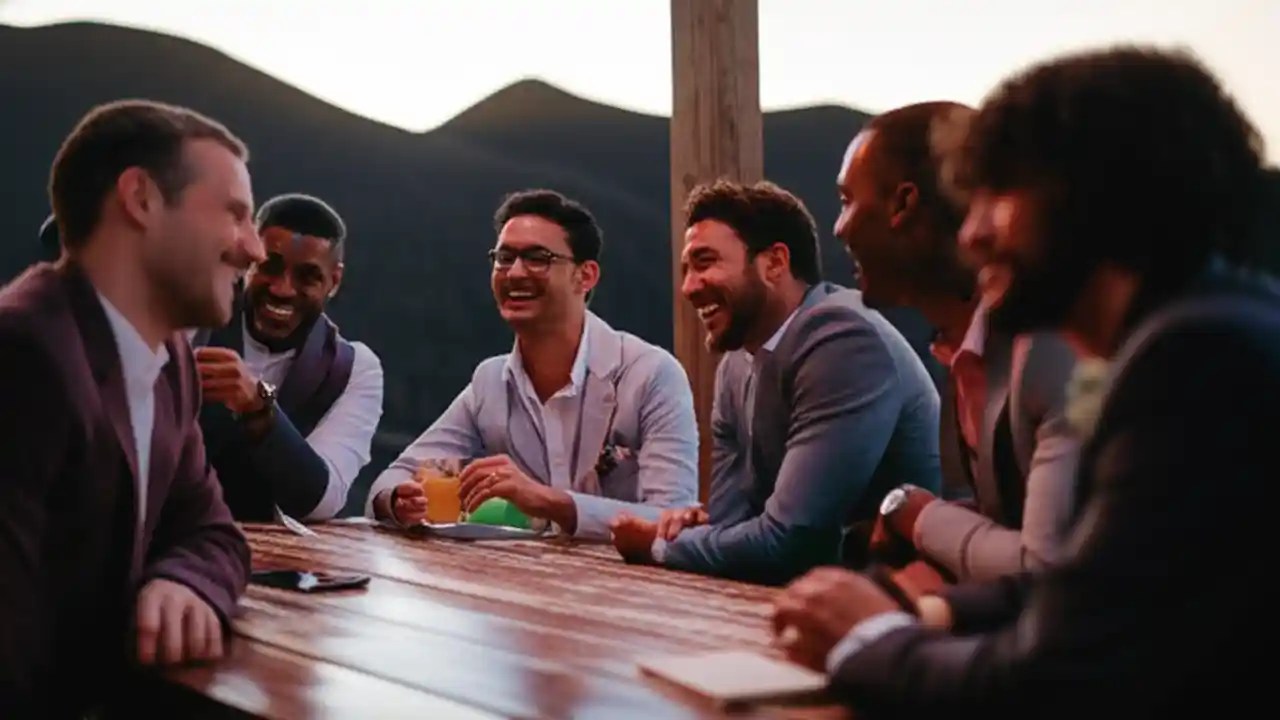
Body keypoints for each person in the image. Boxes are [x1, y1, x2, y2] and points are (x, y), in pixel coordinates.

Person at [772, 46, 1278, 717]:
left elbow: (1054, 682)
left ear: (1092, 195)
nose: (972, 233)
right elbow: (1082, 584)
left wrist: (866, 640)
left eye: (998, 195)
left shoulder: (1196, 356)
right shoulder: (1210, 330)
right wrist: (925, 612)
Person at [0, 99, 258, 716]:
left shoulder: (170, 366)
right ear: (140, 199)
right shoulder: (22, 357)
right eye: (234, 214)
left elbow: (211, 530)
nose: (253, 248)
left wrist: (184, 580)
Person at [611, 180, 941, 585]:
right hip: (801, 592)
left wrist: (662, 547)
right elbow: (732, 524)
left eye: (705, 262)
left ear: (774, 263)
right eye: (686, 271)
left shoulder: (840, 339)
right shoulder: (735, 365)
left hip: (900, 597)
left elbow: (790, 541)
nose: (689, 287)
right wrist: (689, 529)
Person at [833, 101, 1080, 586]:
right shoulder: (964, 352)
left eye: (846, 200)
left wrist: (917, 515)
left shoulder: (1048, 348)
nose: (839, 227)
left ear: (903, 205)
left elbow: (1048, 568)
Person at [367, 189, 698, 539]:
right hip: (527, 572)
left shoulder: (650, 374)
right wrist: (400, 500)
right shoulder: (491, 383)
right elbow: (393, 478)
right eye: (504, 258)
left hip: (627, 574)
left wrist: (549, 502)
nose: (515, 273)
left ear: (585, 276)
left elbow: (672, 519)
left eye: (538, 258)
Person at [195, 193, 384, 522]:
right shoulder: (190, 318)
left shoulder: (353, 368)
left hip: (263, 545)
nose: (283, 289)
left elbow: (322, 501)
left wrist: (260, 406)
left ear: (334, 281)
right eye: (270, 267)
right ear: (249, 259)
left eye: (307, 276)